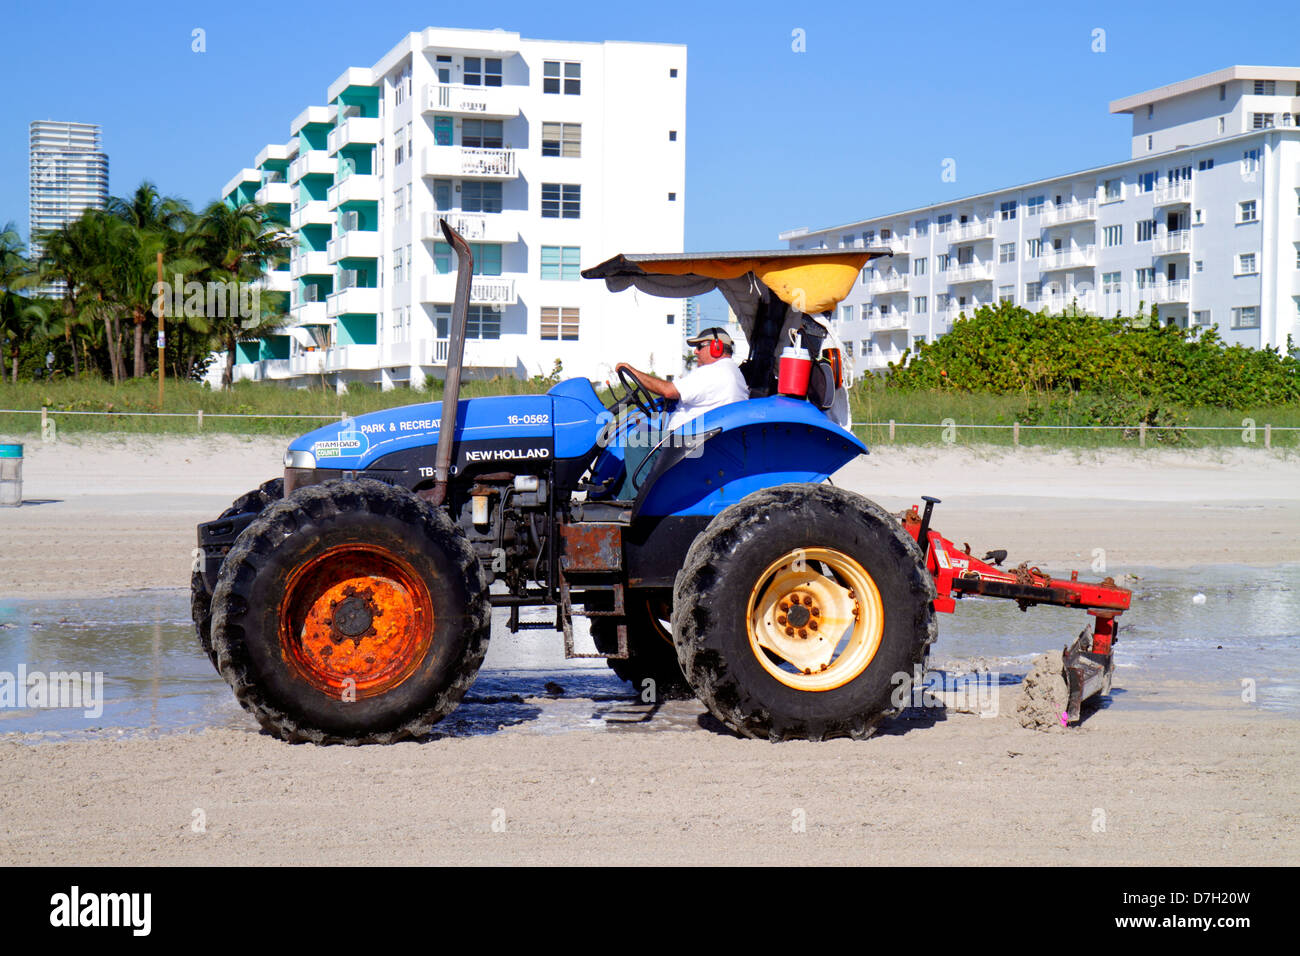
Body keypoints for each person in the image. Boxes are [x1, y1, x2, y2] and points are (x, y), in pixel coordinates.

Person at [615, 327, 749, 433]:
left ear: (716, 347)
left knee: (636, 445)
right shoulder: (732, 371)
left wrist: (632, 371)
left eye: (699, 346)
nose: (695, 352)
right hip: (702, 438)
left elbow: (668, 391)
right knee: (646, 433)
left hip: (689, 443)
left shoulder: (714, 371)